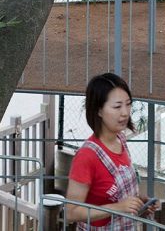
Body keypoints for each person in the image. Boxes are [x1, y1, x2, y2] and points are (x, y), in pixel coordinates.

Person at [65, 73, 156, 229]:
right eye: (117, 106)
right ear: (99, 110)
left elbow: (117, 196)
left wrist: (139, 203)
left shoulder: (121, 139)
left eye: (128, 104)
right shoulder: (86, 156)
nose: (125, 112)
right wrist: (118, 208)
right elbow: (71, 212)